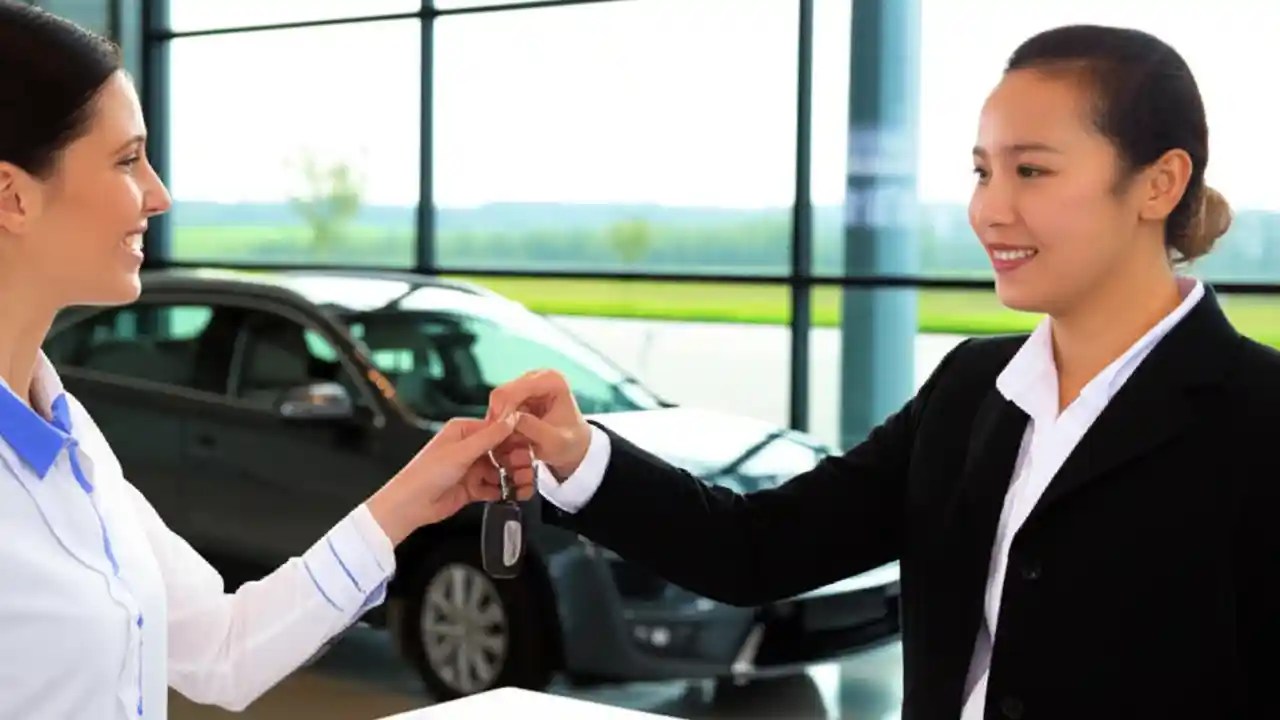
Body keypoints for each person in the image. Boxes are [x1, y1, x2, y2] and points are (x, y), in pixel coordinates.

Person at [487, 24, 1280, 720]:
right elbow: (756, 550)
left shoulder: (1260, 418)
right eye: (981, 171)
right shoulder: (972, 391)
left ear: (1159, 183)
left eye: (1031, 172)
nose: (989, 210)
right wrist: (579, 455)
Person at [0, 4, 531, 718]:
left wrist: (415, 497)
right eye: (127, 160)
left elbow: (222, 649)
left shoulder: (69, 436)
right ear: (12, 197)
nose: (159, 195)